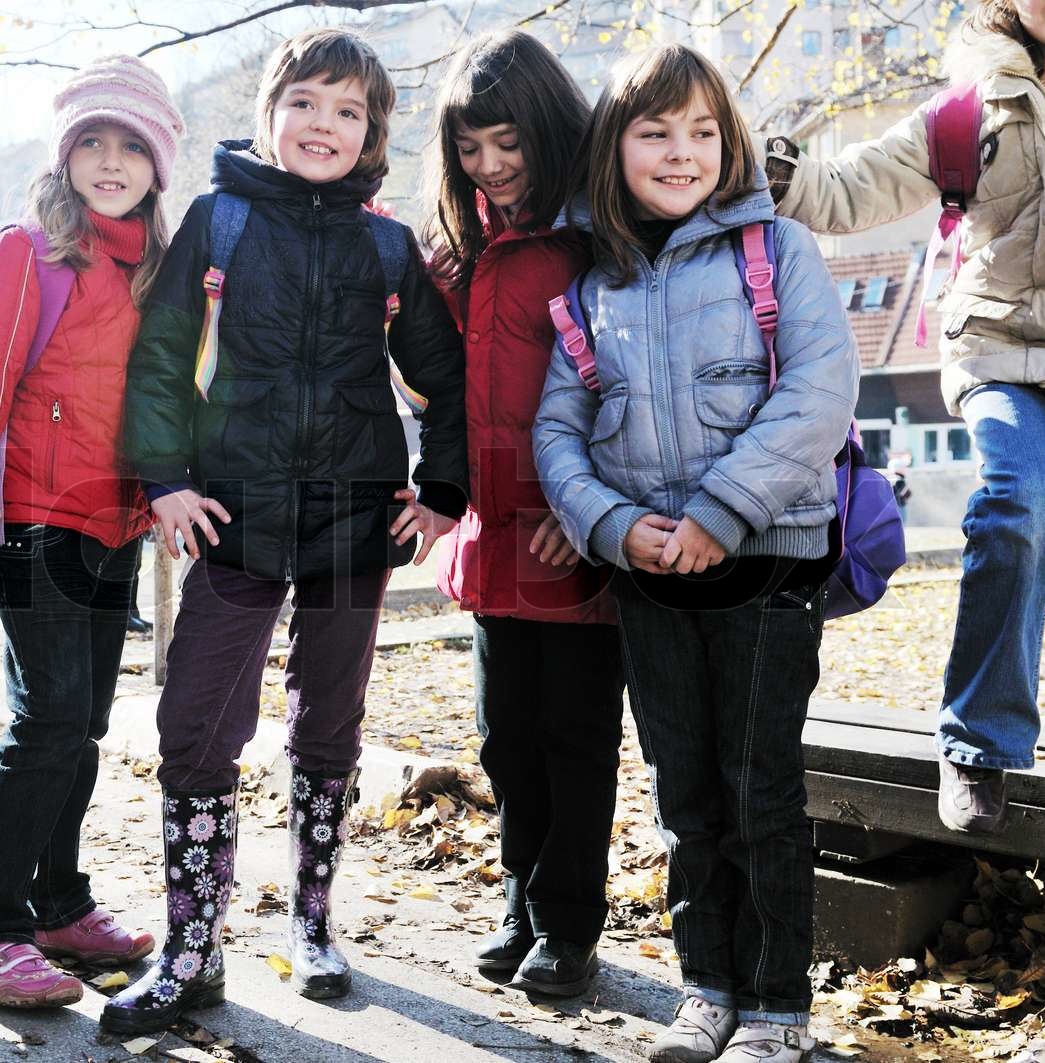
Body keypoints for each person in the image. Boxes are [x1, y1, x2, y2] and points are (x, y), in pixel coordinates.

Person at [102, 26, 468, 1034]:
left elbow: (445, 378)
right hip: (234, 519)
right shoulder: (219, 224)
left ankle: (313, 922)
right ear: (269, 115)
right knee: (195, 727)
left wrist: (441, 488)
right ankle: (192, 949)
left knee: (329, 725)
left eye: (348, 111)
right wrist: (165, 477)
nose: (324, 124)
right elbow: (162, 354)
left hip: (354, 528)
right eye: (305, 101)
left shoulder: (387, 245)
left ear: (371, 133)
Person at [534, 44, 858, 1063]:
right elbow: (556, 429)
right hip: (647, 576)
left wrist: (720, 510)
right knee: (683, 790)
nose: (680, 152)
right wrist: (610, 525)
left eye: (701, 132)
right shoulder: (594, 288)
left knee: (757, 785)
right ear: (613, 148)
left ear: (730, 143)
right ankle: (706, 987)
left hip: (766, 567)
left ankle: (775, 1008)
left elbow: (817, 392)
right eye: (654, 131)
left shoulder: (779, 253)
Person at [765, 0, 1045, 832]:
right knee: (1017, 501)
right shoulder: (972, 105)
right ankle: (978, 745)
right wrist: (773, 171)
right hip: (997, 348)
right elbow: (855, 186)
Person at [0, 55, 184, 1008]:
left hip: (114, 524)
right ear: (65, 154)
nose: (110, 162)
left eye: (131, 146)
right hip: (34, 522)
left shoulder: (154, 265)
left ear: (158, 165)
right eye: (92, 142)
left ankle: (58, 900)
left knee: (85, 724)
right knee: (46, 720)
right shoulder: (24, 250)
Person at [421, 28, 624, 996]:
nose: (491, 167)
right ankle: (520, 896)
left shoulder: (597, 237)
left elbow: (631, 378)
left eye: (508, 144)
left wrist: (591, 502)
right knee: (503, 732)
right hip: (492, 536)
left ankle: (568, 921)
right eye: (470, 148)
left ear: (547, 130)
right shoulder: (460, 247)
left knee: (572, 733)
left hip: (573, 530)